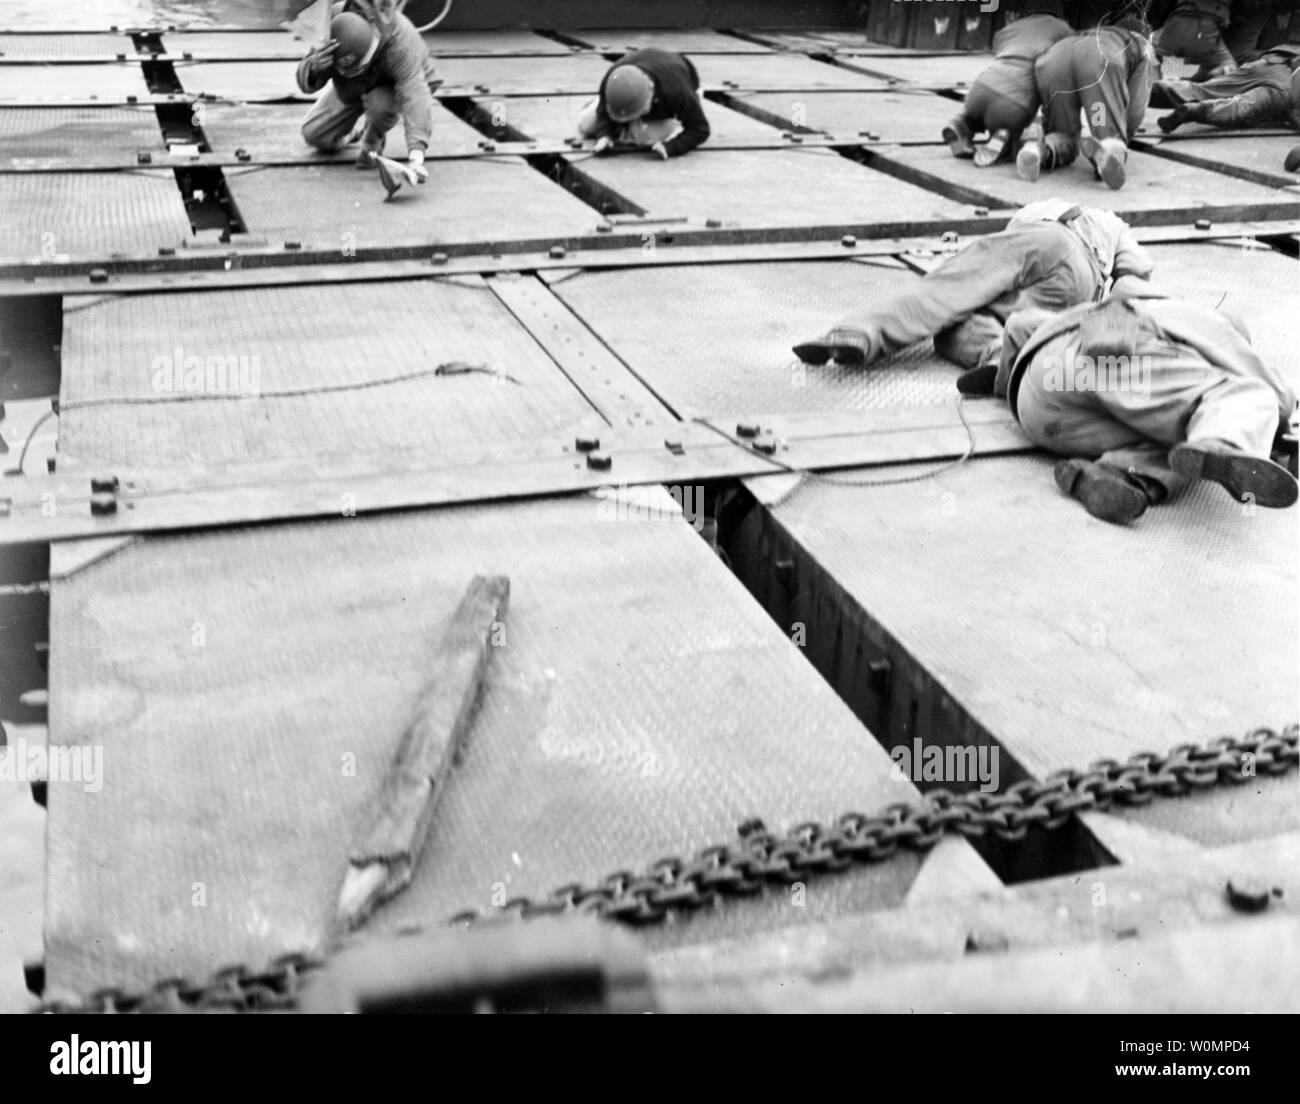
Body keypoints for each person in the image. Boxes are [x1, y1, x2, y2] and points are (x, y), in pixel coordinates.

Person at [994, 282, 1297, 524]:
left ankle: (1118, 476)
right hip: (1106, 366)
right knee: (1250, 396)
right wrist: (1286, 422)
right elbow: (1271, 392)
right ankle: (1224, 439)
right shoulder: (1192, 315)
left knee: (1187, 437)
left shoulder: (1099, 311)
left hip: (1035, 405)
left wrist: (1002, 381)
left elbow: (1019, 324)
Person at [792, 200, 1153, 378]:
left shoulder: (1046, 211)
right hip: (1079, 287)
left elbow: (992, 262)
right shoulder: (1116, 226)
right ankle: (999, 357)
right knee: (955, 331)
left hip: (1047, 242)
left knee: (949, 292)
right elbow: (1132, 285)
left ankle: (861, 332)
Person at [297, 3, 437, 182]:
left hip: (392, 81)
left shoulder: (399, 43)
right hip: (352, 84)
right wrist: (314, 66)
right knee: (314, 134)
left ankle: (373, 141)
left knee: (380, 105)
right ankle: (353, 135)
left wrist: (416, 157)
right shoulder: (331, 24)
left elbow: (415, 96)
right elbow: (305, 79)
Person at [1018, 18, 1156, 190]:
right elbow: (1136, 109)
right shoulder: (1142, 45)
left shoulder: (1097, 31)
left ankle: (1039, 149)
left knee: (1063, 132)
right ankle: (1109, 148)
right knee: (1103, 124)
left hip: (1055, 59)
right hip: (1096, 61)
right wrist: (1123, 131)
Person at [942, 2, 1074, 167]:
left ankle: (961, 124)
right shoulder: (1064, 30)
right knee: (1013, 136)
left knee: (976, 114)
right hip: (1012, 104)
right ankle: (1005, 140)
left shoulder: (1010, 28)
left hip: (979, 88)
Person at [575, 47, 711, 159]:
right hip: (631, 96)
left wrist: (671, 147)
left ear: (651, 93)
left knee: (644, 137)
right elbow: (603, 111)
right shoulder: (613, 79)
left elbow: (700, 129)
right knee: (585, 124)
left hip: (674, 98)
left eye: (637, 113)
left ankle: (676, 123)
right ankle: (622, 124)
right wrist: (604, 136)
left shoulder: (678, 92)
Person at [1153, 43, 1300, 129]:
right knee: (1241, 107)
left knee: (1203, 89)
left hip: (1269, 62)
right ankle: (1196, 110)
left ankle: (1149, 91)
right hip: (1285, 84)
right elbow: (1294, 114)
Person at [1153, 1, 1237, 80]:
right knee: (1230, 67)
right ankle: (1218, 73)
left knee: (1150, 51)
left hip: (1174, 26)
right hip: (1204, 32)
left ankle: (1153, 80)